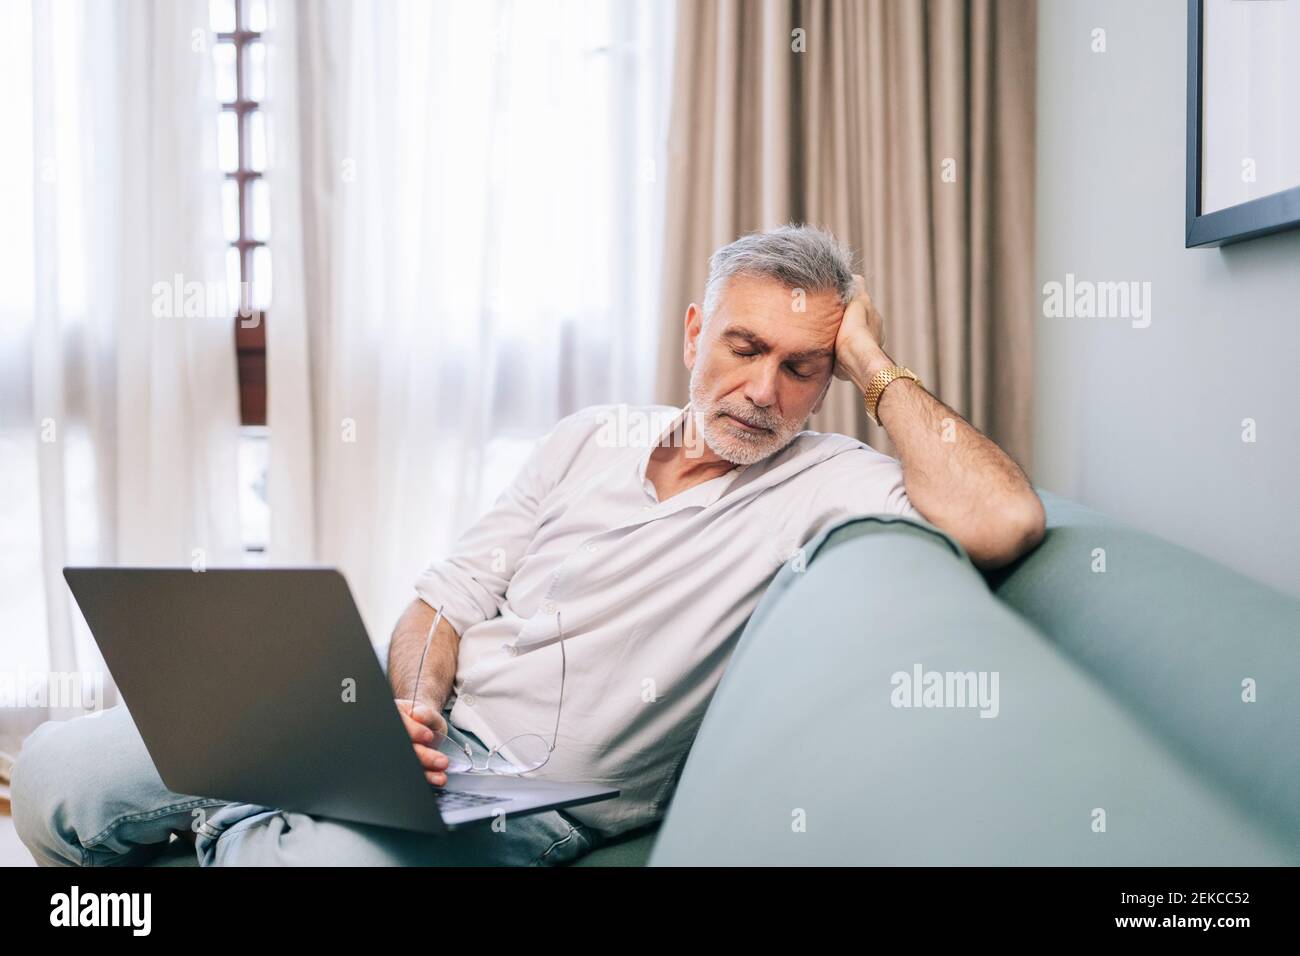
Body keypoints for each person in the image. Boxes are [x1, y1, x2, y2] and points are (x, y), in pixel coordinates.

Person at [12, 224, 1044, 866]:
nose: (765, 390)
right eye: (744, 347)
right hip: (411, 735)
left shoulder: (835, 480)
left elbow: (1003, 520)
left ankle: (231, 819)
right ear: (695, 331)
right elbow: (443, 603)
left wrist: (871, 360)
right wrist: (411, 707)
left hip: (535, 804)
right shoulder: (588, 436)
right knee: (61, 772)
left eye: (802, 366)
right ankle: (259, 798)